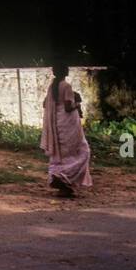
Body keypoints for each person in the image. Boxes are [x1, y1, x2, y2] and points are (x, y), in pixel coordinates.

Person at [40, 62, 91, 197]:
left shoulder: (52, 87)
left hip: (57, 124)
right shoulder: (66, 86)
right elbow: (68, 107)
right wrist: (77, 104)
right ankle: (64, 177)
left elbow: (45, 104)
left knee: (61, 154)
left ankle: (61, 180)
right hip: (68, 124)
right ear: (65, 71)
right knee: (83, 150)